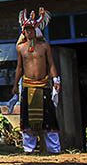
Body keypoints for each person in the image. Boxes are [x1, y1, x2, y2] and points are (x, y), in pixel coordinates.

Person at [12, 8, 61, 154]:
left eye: (31, 29)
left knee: (49, 119)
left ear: (36, 30)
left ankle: (54, 149)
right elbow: (19, 68)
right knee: (28, 120)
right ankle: (29, 149)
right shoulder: (20, 48)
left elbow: (51, 64)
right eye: (26, 29)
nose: (29, 32)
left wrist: (56, 80)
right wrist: (15, 84)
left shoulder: (44, 46)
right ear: (23, 31)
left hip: (43, 85)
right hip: (28, 87)